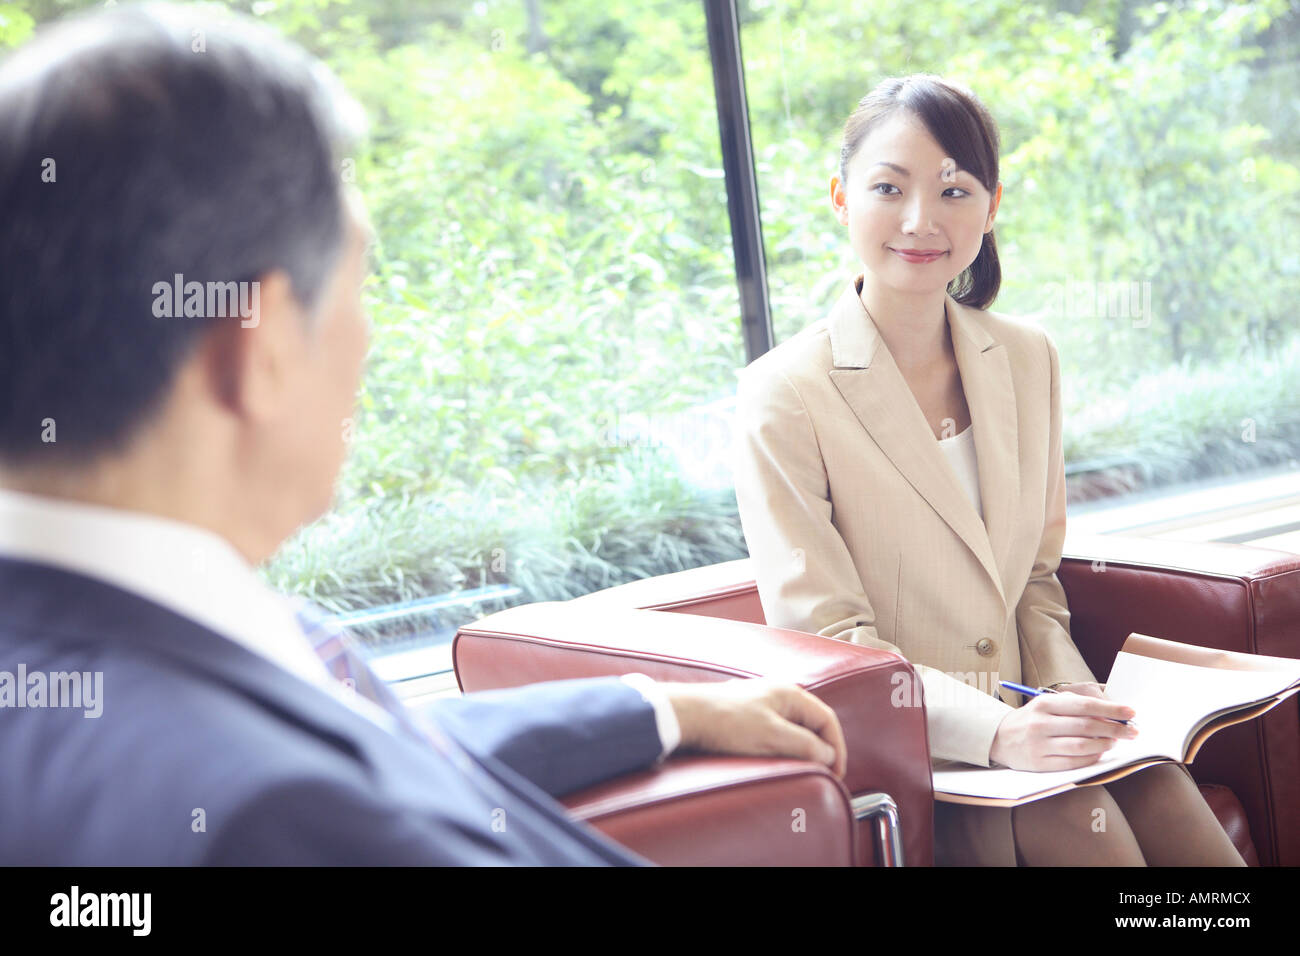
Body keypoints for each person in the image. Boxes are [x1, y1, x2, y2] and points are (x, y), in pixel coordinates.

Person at [0, 3, 847, 865]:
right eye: (356, 289)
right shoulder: (280, 819)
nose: (367, 339)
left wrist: (659, 707)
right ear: (257, 353)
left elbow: (362, 738)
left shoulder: (98, 654)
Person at [731, 73, 1244, 866]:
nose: (919, 220)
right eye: (887, 187)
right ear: (840, 198)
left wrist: (1073, 697)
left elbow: (1034, 580)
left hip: (1034, 726)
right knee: (1077, 828)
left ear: (992, 205)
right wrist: (1000, 732)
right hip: (922, 753)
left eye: (953, 190)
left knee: (1161, 789)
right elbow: (830, 642)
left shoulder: (1026, 357)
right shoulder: (785, 393)